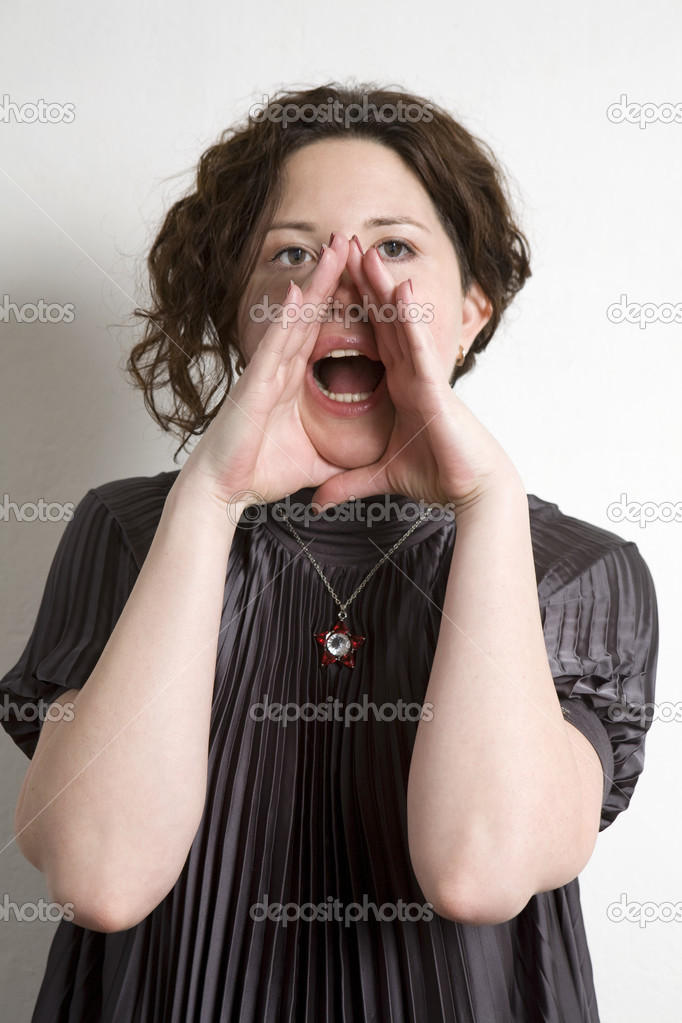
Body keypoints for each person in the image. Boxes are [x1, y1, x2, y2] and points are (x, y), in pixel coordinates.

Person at [1, 83, 658, 1022]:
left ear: (471, 308)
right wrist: (209, 496)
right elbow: (102, 876)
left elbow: (479, 868)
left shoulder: (575, 572)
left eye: (393, 247)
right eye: (294, 254)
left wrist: (488, 502)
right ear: (241, 310)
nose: (346, 287)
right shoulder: (130, 532)